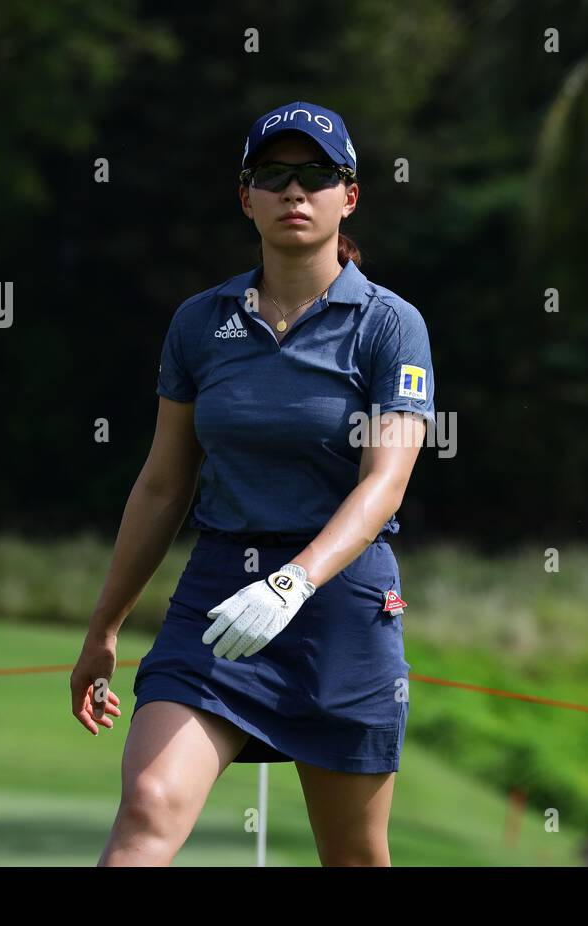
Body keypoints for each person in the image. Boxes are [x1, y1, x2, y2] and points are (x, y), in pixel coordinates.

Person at [70, 101, 436, 866]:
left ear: (349, 195)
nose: (294, 192)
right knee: (147, 805)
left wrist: (294, 583)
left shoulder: (389, 324)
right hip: (216, 592)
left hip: (342, 604)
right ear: (246, 197)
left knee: (355, 856)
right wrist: (104, 629)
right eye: (273, 175)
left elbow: (386, 482)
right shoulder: (201, 324)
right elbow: (164, 485)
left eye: (316, 175)